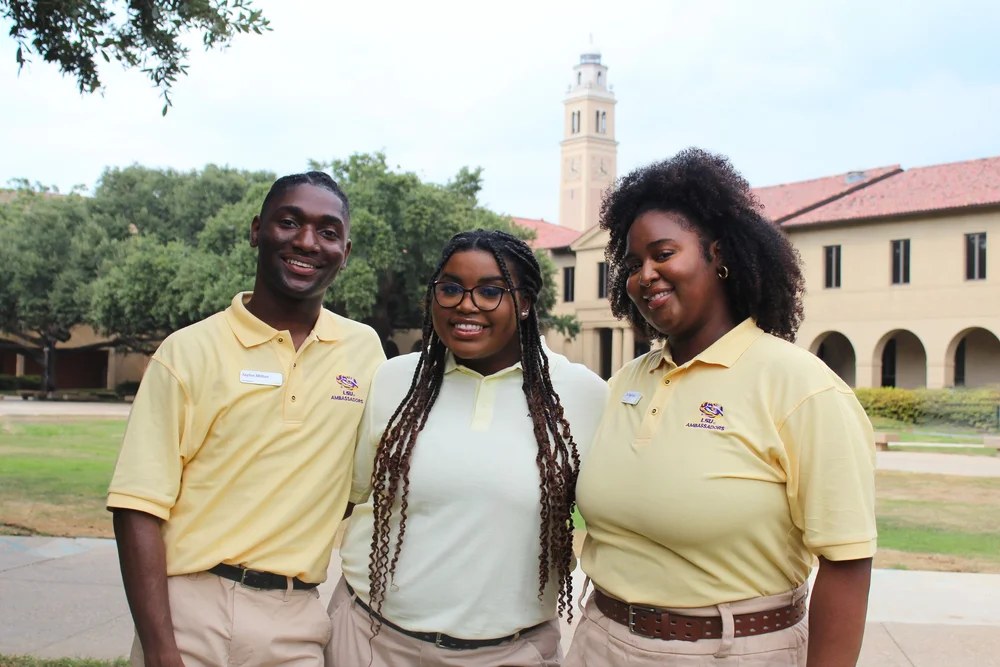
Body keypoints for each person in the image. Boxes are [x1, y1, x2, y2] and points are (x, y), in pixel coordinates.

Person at [567, 149, 877, 667]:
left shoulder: (800, 386)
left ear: (719, 254)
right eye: (633, 263)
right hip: (600, 642)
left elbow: (847, 561)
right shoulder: (628, 380)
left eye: (663, 254)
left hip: (731, 650)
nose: (646, 275)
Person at [107, 171, 385, 667]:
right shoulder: (188, 351)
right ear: (258, 230)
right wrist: (160, 648)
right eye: (289, 222)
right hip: (190, 610)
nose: (306, 241)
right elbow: (137, 508)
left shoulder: (364, 351)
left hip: (295, 615)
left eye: (327, 231)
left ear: (345, 251)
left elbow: (358, 484)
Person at [326, 229, 609, 667]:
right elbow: (351, 496)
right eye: (451, 288)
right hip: (370, 641)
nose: (466, 304)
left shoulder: (583, 395)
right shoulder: (394, 380)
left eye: (491, 291)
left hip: (509, 652)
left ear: (527, 302)